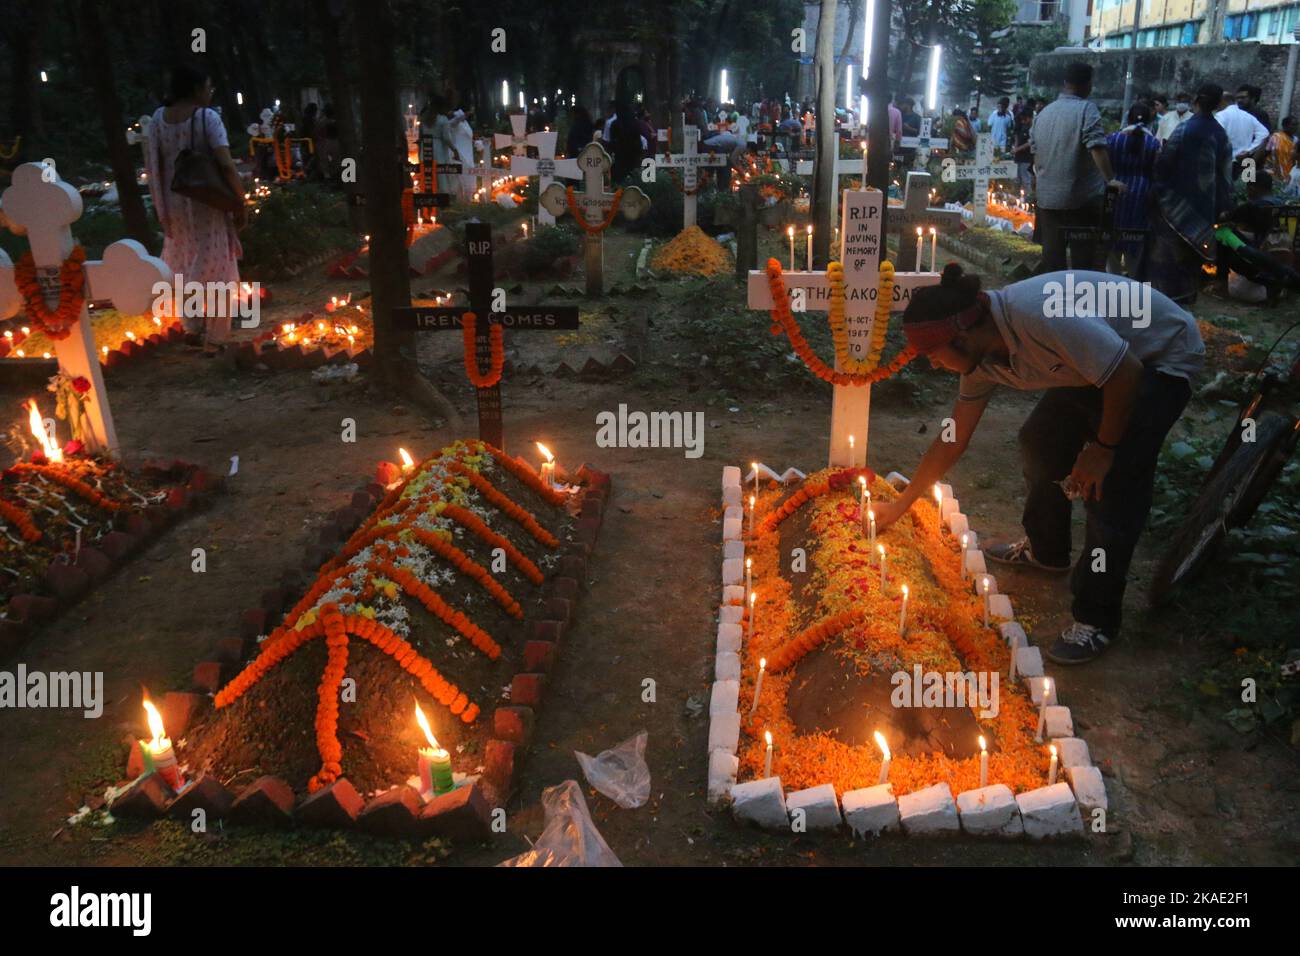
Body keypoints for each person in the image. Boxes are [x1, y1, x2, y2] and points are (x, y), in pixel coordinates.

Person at [874, 263, 1204, 664]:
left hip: (1158, 359)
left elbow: (1126, 373)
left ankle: (1097, 617)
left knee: (1111, 487)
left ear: (962, 336)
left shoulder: (1042, 317)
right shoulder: (983, 357)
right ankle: (1047, 551)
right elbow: (953, 438)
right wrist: (902, 503)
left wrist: (1103, 448)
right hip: (1099, 365)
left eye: (932, 355)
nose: (933, 365)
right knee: (1040, 440)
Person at [144, 64, 245, 354]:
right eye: (209, 87)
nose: (210, 92)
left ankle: (191, 326)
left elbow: (153, 164)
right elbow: (225, 164)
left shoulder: (158, 120)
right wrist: (240, 200)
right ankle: (215, 339)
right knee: (218, 267)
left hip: (174, 203)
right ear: (196, 89)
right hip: (207, 202)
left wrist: (160, 206)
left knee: (184, 262)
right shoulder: (207, 118)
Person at [1030, 62, 1126, 272]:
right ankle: (1079, 292)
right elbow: (1096, 147)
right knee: (1084, 259)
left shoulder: (1044, 113)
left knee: (1052, 258)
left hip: (1047, 199)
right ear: (1088, 84)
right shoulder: (1086, 109)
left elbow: (1035, 152)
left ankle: (1053, 292)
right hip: (1080, 199)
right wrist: (1110, 179)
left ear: (1065, 82)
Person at [1145, 83, 1234, 305]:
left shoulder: (1184, 129)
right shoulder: (1220, 134)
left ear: (1195, 100)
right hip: (1204, 205)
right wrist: (1224, 205)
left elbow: (1163, 163)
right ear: (1218, 104)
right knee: (1193, 252)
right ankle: (1187, 296)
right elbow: (1226, 175)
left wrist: (1157, 191)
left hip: (1173, 202)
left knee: (1168, 253)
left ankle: (1164, 300)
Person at [1104, 102, 1161, 276]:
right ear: (1150, 120)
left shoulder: (1112, 139)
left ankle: (1111, 280)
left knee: (1112, 236)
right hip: (1142, 194)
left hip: (1115, 191)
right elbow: (1157, 171)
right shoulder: (1153, 143)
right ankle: (1134, 280)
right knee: (1137, 239)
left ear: (1127, 119)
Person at [1215, 90, 1269, 180]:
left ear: (1222, 102)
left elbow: (1217, 138)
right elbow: (1265, 134)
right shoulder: (1248, 116)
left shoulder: (1220, 116)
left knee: (1225, 187)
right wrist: (1249, 150)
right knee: (1246, 187)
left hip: (1227, 162)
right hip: (1247, 161)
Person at [1012, 107, 1035, 192]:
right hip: (1018, 157)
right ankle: (1016, 197)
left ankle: (1028, 197)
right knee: (1017, 179)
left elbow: (1030, 142)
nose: (1023, 121)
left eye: (1025, 119)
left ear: (1029, 118)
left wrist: (1017, 149)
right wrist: (1015, 147)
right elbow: (1017, 136)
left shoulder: (1033, 128)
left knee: (1026, 179)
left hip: (1027, 158)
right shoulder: (1022, 125)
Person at [1269, 115, 1296, 181]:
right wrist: (1278, 173)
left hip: (1290, 174)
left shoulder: (1296, 140)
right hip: (1276, 173)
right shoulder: (1276, 137)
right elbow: (1274, 156)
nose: (1296, 127)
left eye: (1296, 124)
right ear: (1285, 126)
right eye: (1293, 125)